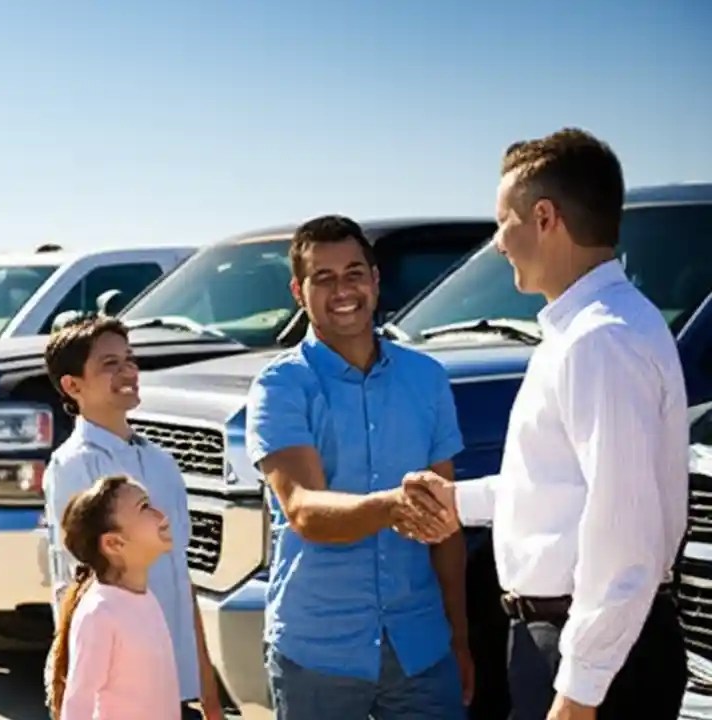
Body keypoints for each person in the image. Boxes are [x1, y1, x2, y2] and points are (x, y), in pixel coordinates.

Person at [403, 128, 690, 720]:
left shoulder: (601, 340)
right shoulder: (588, 330)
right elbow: (563, 488)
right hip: (583, 649)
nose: (498, 242)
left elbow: (626, 535)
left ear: (544, 218)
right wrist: (457, 502)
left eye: (502, 222)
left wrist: (578, 694)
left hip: (592, 662)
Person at [245, 214, 472, 720]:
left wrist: (458, 637)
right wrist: (393, 507)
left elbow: (447, 527)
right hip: (318, 653)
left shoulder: (427, 379)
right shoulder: (280, 387)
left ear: (375, 279)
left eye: (354, 273)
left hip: (422, 649)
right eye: (323, 278)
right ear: (298, 292)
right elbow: (303, 510)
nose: (343, 290)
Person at [42, 316, 223, 720]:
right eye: (110, 364)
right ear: (73, 386)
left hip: (173, 689)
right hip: (120, 698)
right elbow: (76, 585)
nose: (127, 371)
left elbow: (181, 578)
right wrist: (67, 692)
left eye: (129, 359)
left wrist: (207, 688)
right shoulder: (74, 466)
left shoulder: (160, 461)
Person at [48, 474, 183, 719]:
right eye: (144, 507)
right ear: (114, 544)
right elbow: (78, 703)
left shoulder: (147, 599)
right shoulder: (99, 613)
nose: (160, 514)